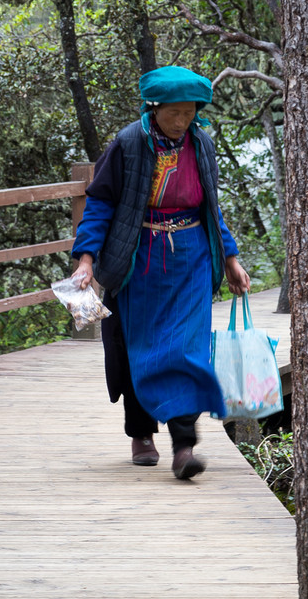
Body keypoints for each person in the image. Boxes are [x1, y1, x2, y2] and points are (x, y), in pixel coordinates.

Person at [71, 65, 250, 480]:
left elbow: (211, 209)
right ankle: (140, 432)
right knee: (142, 348)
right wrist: (86, 259)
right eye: (174, 113)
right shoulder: (129, 144)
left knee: (184, 349)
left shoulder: (200, 145)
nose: (182, 121)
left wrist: (230, 258)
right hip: (141, 258)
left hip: (191, 257)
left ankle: (184, 447)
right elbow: (100, 203)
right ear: (153, 109)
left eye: (189, 113)